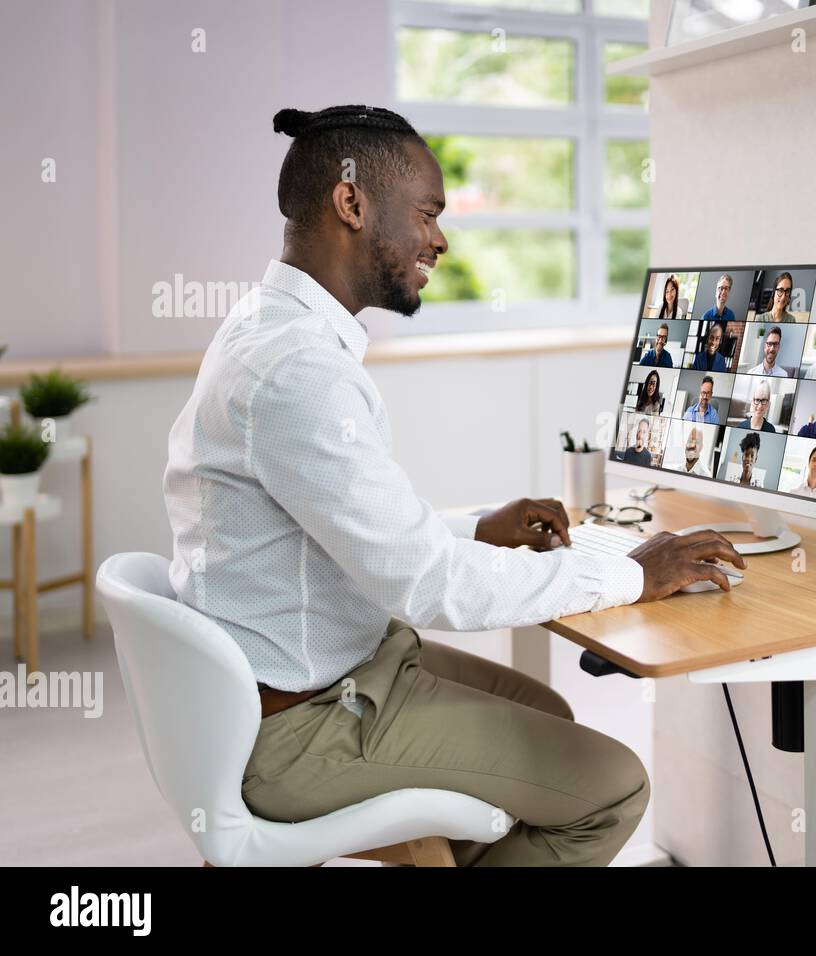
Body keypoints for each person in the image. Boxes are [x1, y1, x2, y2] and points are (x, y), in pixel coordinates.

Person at [163, 104, 745, 869]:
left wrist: (474, 529)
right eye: (428, 213)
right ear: (352, 203)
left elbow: (338, 524)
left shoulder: (269, 329)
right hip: (304, 725)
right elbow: (431, 588)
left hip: (322, 672)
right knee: (610, 788)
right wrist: (633, 573)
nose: (439, 239)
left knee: (547, 712)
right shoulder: (298, 370)